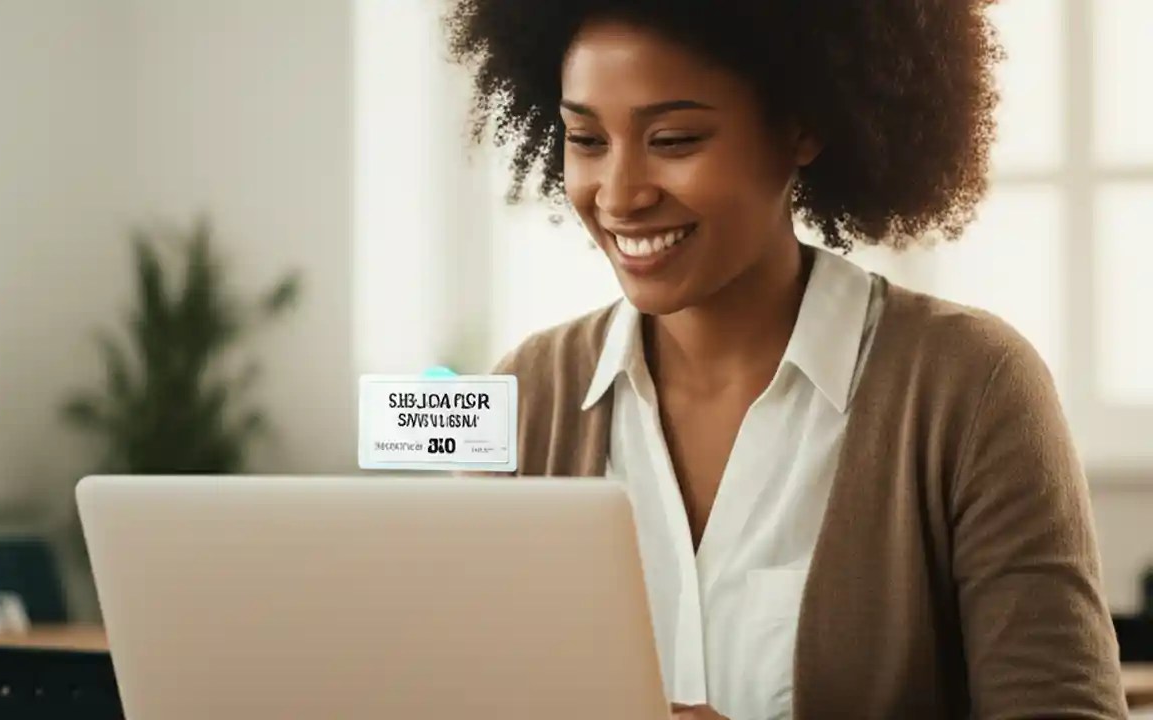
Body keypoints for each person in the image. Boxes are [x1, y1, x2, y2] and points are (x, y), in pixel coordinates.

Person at [444, 1, 1126, 719]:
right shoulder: (523, 397)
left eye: (674, 139)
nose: (618, 194)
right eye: (585, 138)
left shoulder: (973, 389)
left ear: (802, 126)